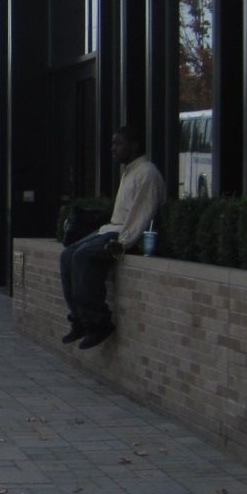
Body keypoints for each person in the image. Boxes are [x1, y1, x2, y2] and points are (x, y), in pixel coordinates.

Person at [60, 125, 165, 350]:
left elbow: (141, 215)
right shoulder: (129, 172)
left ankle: (98, 323)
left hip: (123, 233)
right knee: (67, 255)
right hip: (110, 229)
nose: (113, 148)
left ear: (134, 145)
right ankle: (79, 320)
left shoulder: (146, 173)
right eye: (113, 143)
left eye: (118, 143)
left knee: (83, 256)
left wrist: (122, 244)